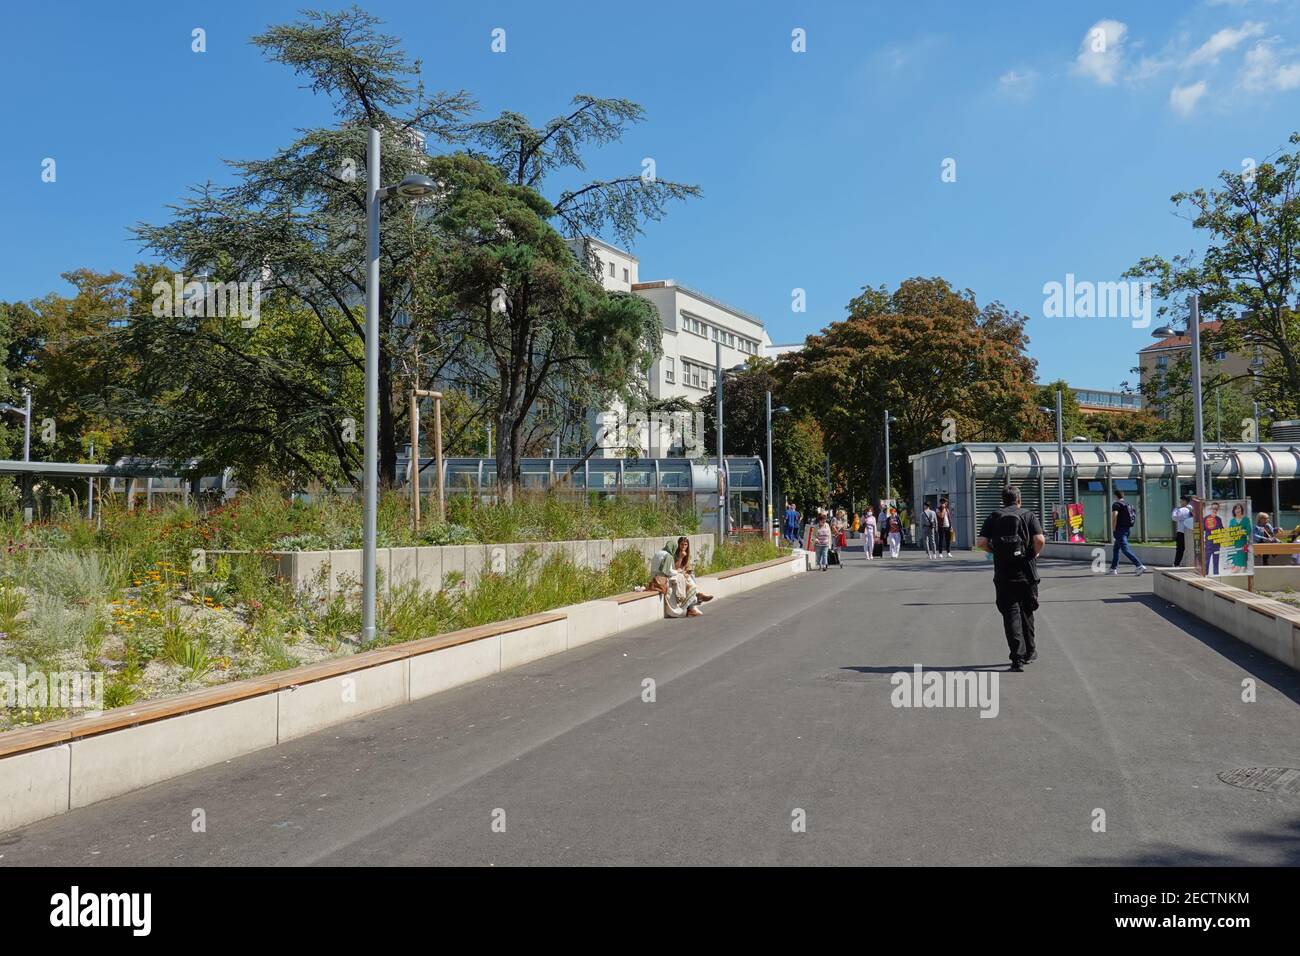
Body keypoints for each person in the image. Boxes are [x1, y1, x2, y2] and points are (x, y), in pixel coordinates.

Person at [977, 486, 1046, 672]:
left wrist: (995, 552)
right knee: (1027, 612)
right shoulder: (1028, 515)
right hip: (1027, 573)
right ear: (1019, 499)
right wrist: (1032, 554)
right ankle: (1030, 651)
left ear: (1003, 500)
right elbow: (1040, 539)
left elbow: (981, 543)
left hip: (1003, 574)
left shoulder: (994, 516)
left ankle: (1017, 658)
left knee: (1010, 615)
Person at [647, 537, 712, 617]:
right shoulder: (670, 555)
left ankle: (694, 603)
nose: (684, 546)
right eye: (682, 544)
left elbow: (683, 567)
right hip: (662, 578)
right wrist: (680, 559)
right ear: (677, 546)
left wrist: (686, 570)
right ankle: (695, 600)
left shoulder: (660, 552)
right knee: (688, 581)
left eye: (685, 544)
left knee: (690, 576)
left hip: (660, 576)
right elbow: (669, 570)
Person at [1108, 489, 1146, 576]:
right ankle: (1113, 569)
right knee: (1116, 548)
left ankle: (1139, 565)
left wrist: (1114, 529)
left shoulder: (1116, 504)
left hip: (1120, 530)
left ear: (1115, 496)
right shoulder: (1128, 504)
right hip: (1127, 529)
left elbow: (1115, 516)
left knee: (1125, 549)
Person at [1227, 503, 1252, 571]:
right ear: (1234, 511)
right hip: (1234, 543)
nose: (1237, 510)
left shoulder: (1246, 519)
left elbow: (1248, 531)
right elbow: (1230, 532)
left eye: (1239, 508)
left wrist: (1237, 532)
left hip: (1243, 543)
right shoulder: (1232, 521)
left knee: (1243, 564)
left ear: (1241, 509)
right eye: (1236, 508)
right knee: (1235, 563)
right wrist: (1241, 531)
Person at [1171, 495, 1193, 568]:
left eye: (1181, 501)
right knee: (1190, 548)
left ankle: (1176, 563)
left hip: (1181, 532)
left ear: (1184, 501)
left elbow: (1174, 517)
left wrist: (1175, 510)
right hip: (1191, 532)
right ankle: (1192, 563)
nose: (1180, 502)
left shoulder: (1181, 509)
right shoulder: (1192, 509)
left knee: (1180, 549)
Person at [1202, 501, 1224, 575]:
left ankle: (1216, 575)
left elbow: (1222, 529)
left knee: (1216, 560)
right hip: (1208, 542)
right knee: (1206, 560)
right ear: (1211, 508)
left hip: (1217, 542)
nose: (1214, 510)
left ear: (1217, 510)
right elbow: (1202, 530)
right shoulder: (1206, 518)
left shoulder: (1219, 519)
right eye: (1213, 508)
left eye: (1216, 509)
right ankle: (1205, 575)